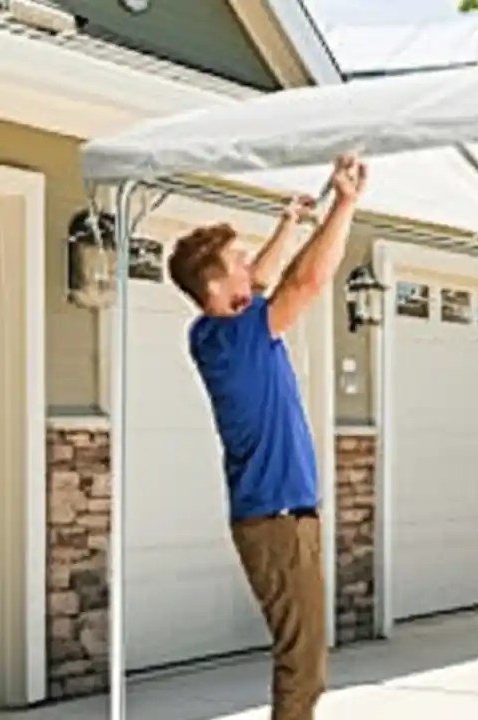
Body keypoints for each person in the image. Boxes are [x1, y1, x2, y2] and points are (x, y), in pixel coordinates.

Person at [167, 153, 368, 720]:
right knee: (303, 667)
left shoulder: (214, 332)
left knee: (303, 662)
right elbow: (304, 280)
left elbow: (257, 281)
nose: (250, 264)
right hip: (278, 522)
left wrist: (290, 223)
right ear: (216, 284)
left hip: (279, 517)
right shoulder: (237, 337)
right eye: (238, 259)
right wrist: (345, 204)